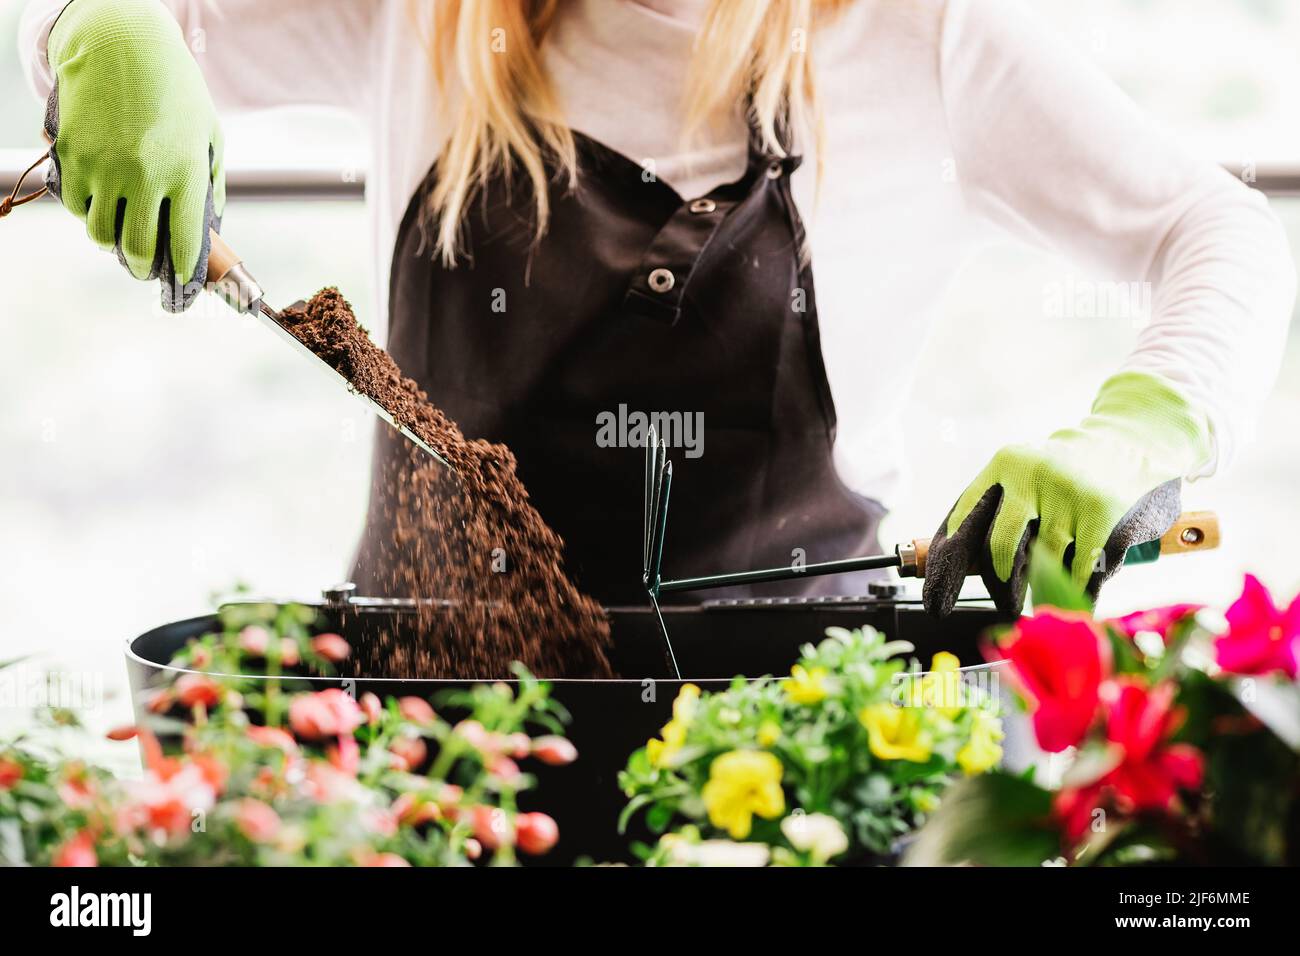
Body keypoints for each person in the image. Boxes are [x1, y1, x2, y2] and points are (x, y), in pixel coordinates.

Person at [19, 0, 1295, 612]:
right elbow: (137, 17)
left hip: (780, 745)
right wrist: (109, 37)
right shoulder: (423, 15)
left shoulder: (925, 36)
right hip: (434, 732)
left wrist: (1140, 425)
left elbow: (1215, 225)